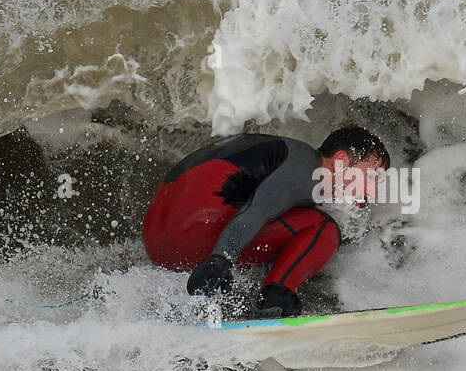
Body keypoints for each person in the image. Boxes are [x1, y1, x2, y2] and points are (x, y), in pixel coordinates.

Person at [142, 126, 390, 317]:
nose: (370, 193)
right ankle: (275, 299)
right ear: (340, 161)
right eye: (370, 177)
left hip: (157, 245)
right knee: (322, 228)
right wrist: (220, 260)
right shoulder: (305, 171)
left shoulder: (289, 157)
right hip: (195, 239)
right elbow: (256, 211)